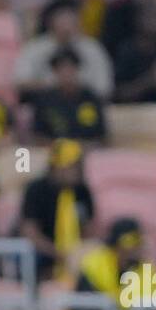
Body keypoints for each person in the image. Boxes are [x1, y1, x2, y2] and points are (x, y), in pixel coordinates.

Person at [19, 138, 95, 281]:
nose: (78, 171)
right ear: (56, 167)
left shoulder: (82, 191)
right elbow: (30, 233)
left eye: (79, 165)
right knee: (29, 256)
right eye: (72, 166)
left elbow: (89, 227)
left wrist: (78, 253)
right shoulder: (36, 189)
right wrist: (59, 254)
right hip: (43, 251)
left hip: (72, 252)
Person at [14, 0, 113, 101]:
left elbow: (104, 88)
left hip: (85, 106)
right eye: (61, 20)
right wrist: (55, 85)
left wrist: (75, 87)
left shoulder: (93, 48)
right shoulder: (35, 48)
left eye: (70, 20)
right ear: (50, 23)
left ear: (78, 22)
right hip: (46, 106)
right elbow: (20, 82)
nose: (66, 26)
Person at [31, 49, 109, 143]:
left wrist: (83, 147)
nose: (66, 73)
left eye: (70, 68)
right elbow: (37, 135)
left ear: (77, 69)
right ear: (55, 72)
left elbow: (102, 136)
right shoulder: (44, 100)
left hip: (89, 152)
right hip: (54, 152)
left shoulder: (91, 98)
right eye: (61, 69)